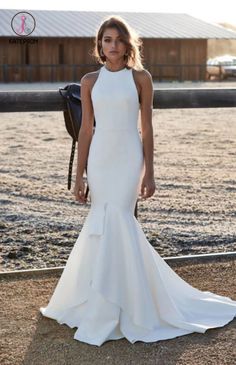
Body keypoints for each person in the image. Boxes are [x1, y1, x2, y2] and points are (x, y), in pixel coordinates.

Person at [40, 15, 236, 347]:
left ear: (127, 44)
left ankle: (130, 304)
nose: (112, 45)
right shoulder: (89, 81)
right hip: (100, 159)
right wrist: (79, 176)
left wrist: (150, 172)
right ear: (99, 45)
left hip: (129, 159)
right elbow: (86, 130)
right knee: (102, 221)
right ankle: (99, 301)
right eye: (106, 40)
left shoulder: (141, 78)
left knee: (120, 220)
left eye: (118, 39)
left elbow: (147, 128)